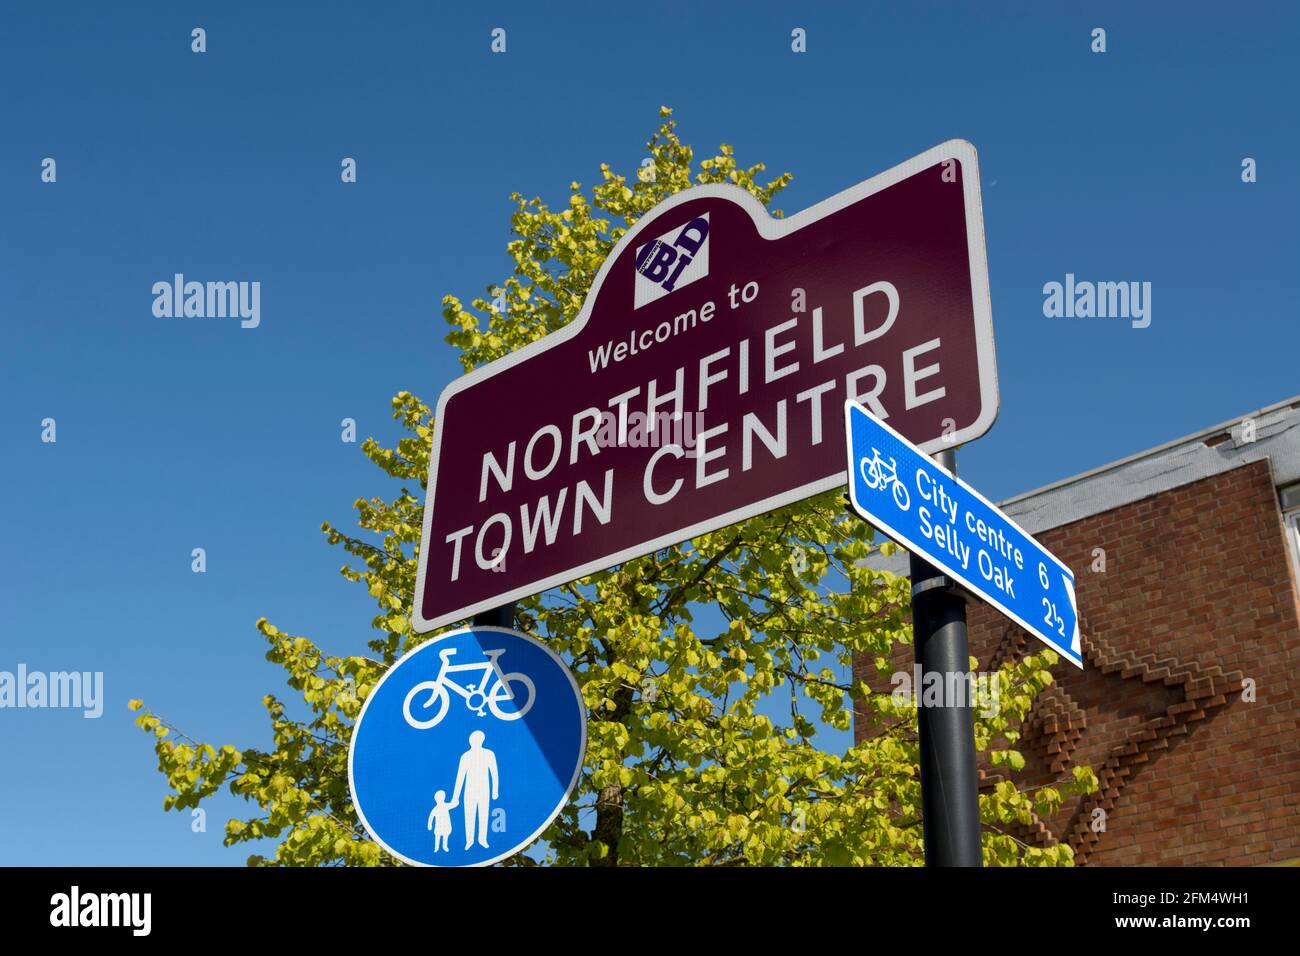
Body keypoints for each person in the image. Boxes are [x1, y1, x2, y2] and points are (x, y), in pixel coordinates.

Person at [450, 730, 499, 850]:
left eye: (476, 739)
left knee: (483, 814)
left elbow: (494, 773)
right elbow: (460, 777)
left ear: (481, 740)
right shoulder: (465, 756)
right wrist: (455, 797)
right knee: (469, 815)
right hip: (469, 790)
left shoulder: (489, 754)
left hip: (484, 789)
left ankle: (482, 839)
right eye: (472, 739)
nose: (473, 741)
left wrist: (495, 791)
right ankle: (469, 841)